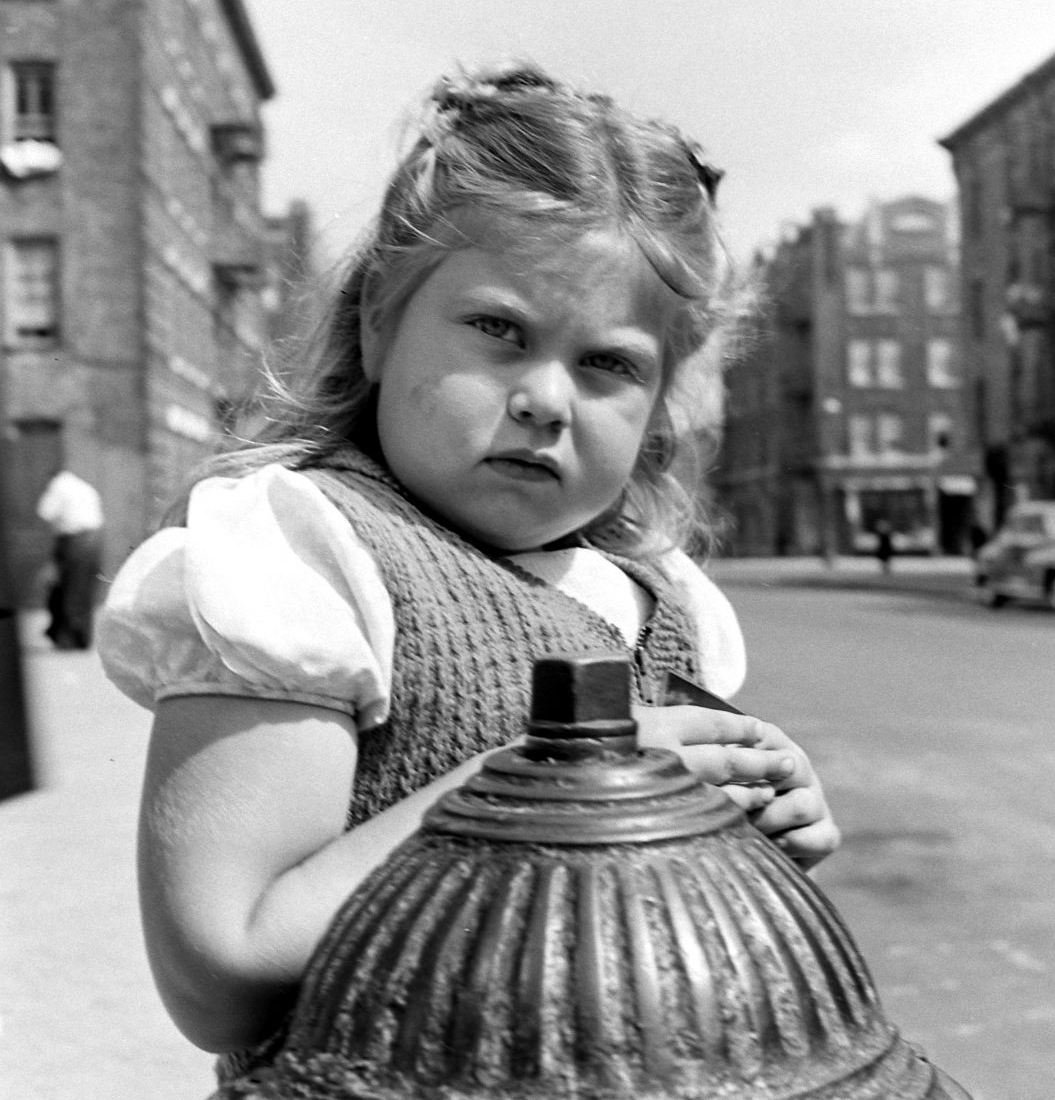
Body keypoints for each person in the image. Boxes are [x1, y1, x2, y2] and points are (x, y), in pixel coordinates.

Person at [95, 62, 840, 1084]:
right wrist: (548, 785)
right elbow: (225, 971)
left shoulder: (665, 608)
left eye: (609, 365)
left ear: (660, 401)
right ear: (378, 324)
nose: (545, 398)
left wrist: (745, 846)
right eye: (499, 331)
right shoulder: (309, 559)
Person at [36, 468, 104, 649]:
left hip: (74, 542)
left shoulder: (58, 485)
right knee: (83, 591)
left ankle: (68, 638)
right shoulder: (86, 488)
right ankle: (82, 637)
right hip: (94, 540)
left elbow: (44, 511)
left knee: (68, 589)